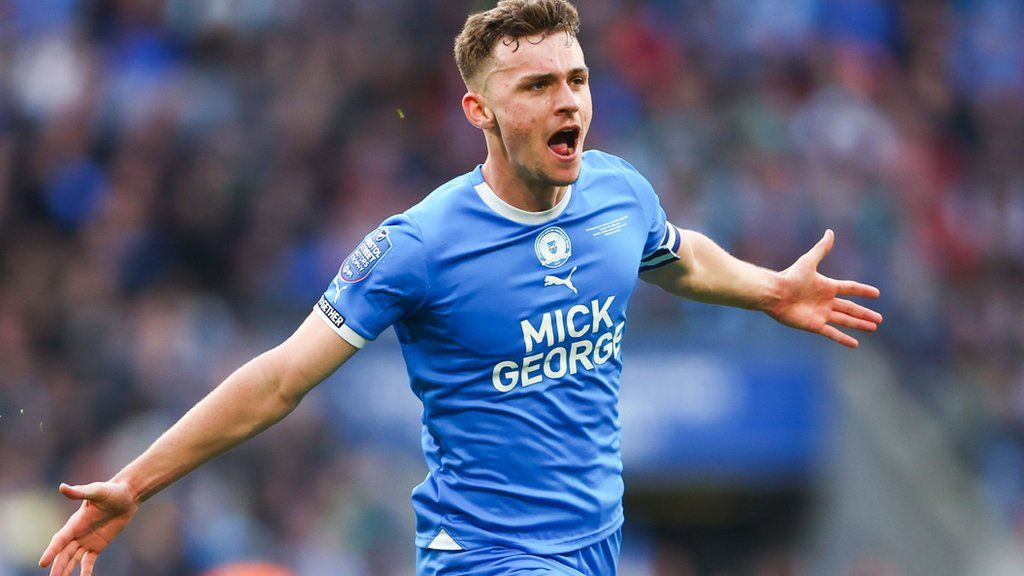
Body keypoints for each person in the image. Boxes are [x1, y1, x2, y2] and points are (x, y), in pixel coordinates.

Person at [39, 1, 883, 575]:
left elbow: (677, 258)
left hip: (596, 545)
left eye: (578, 80)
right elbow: (280, 379)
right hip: (485, 555)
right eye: (540, 86)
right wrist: (137, 483)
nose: (571, 104)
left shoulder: (619, 192)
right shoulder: (417, 246)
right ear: (479, 110)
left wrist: (770, 289)